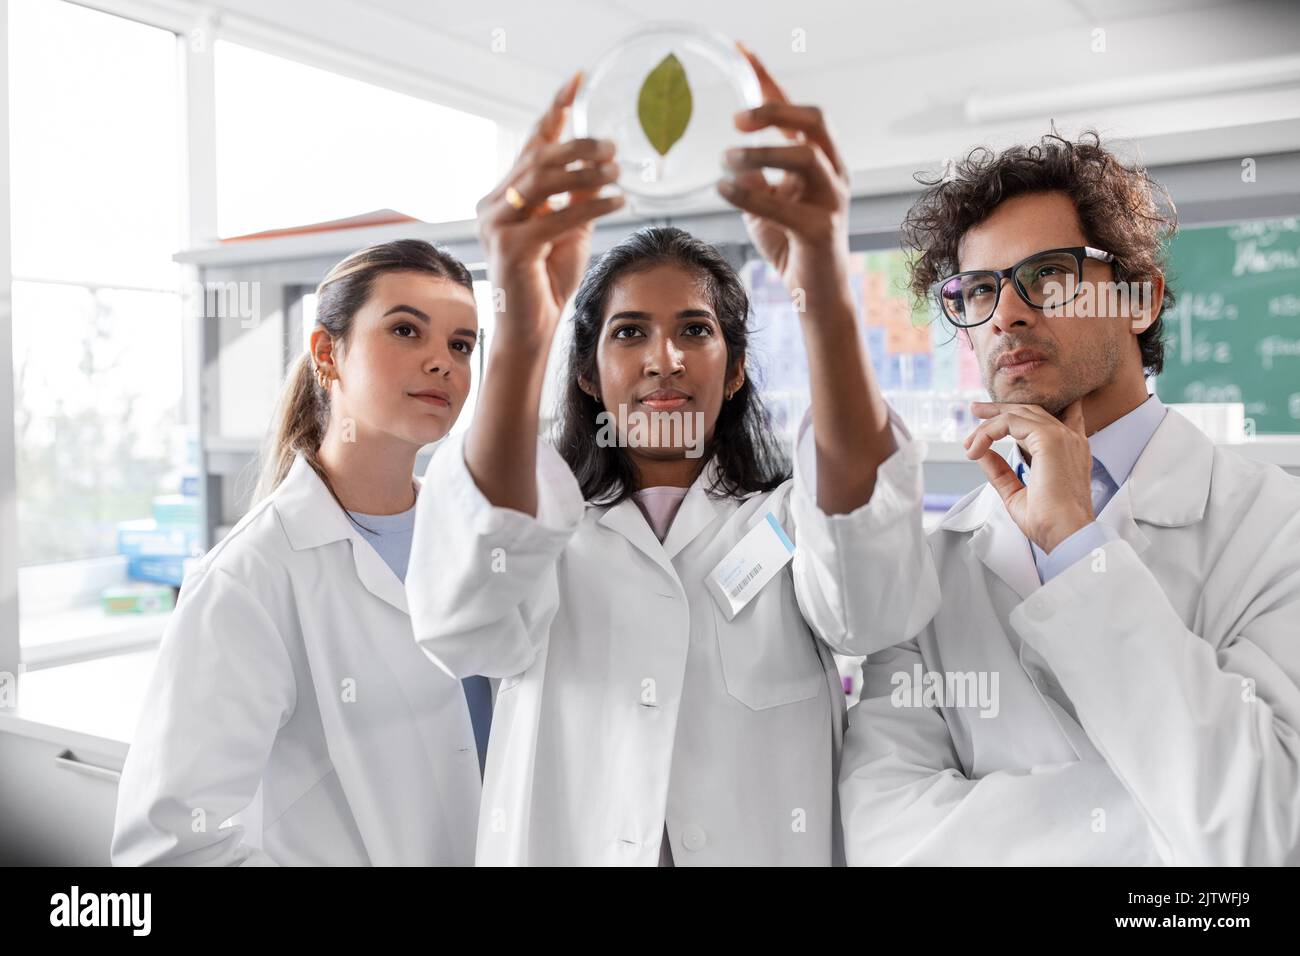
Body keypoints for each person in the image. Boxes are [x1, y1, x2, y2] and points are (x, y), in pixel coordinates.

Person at [406, 50, 937, 865]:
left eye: (696, 330)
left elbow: (873, 609)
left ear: (735, 372)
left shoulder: (788, 523)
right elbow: (462, 629)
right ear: (587, 372)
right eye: (629, 334)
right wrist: (522, 320)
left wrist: (821, 281)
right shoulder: (548, 529)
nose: (666, 358)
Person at [839, 132, 1300, 866]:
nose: (1004, 315)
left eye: (1047, 276)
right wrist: (1160, 827)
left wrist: (1078, 549)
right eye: (980, 290)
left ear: (1140, 299)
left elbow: (1265, 829)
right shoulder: (928, 570)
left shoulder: (1277, 530)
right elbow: (884, 836)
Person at [112, 239, 490, 865]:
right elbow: (168, 847)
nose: (442, 363)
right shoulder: (251, 575)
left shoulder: (475, 542)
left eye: (461, 344)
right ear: (327, 352)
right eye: (405, 331)